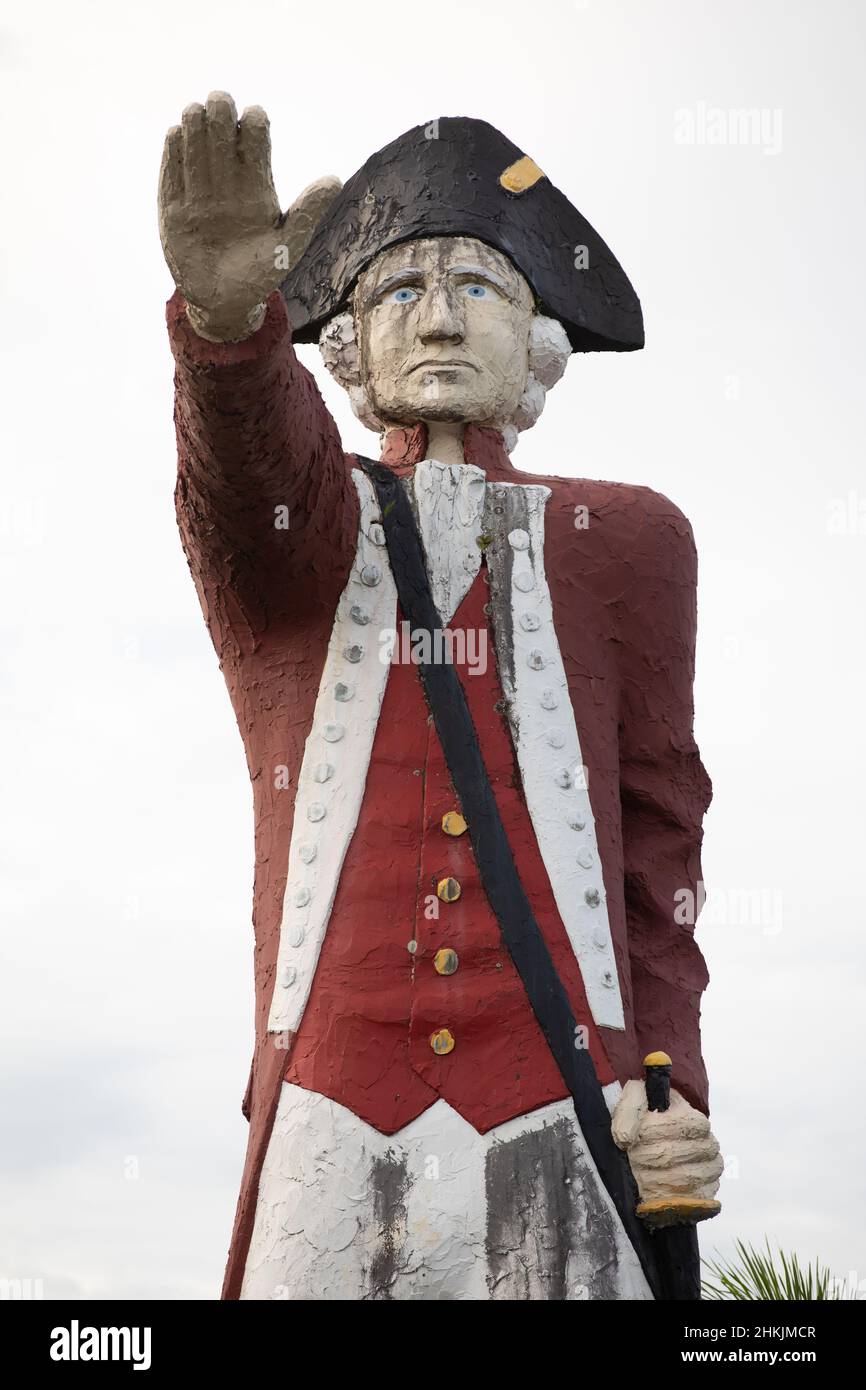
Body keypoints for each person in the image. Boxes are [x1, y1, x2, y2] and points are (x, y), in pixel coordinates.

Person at [159, 94, 723, 1300]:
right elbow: (249, 478)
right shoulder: (314, 524)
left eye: (479, 285)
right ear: (349, 346)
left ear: (537, 342)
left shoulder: (627, 539)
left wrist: (675, 1088)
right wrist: (229, 327)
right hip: (328, 1102)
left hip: (566, 1103)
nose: (440, 316)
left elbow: (656, 845)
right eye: (399, 289)